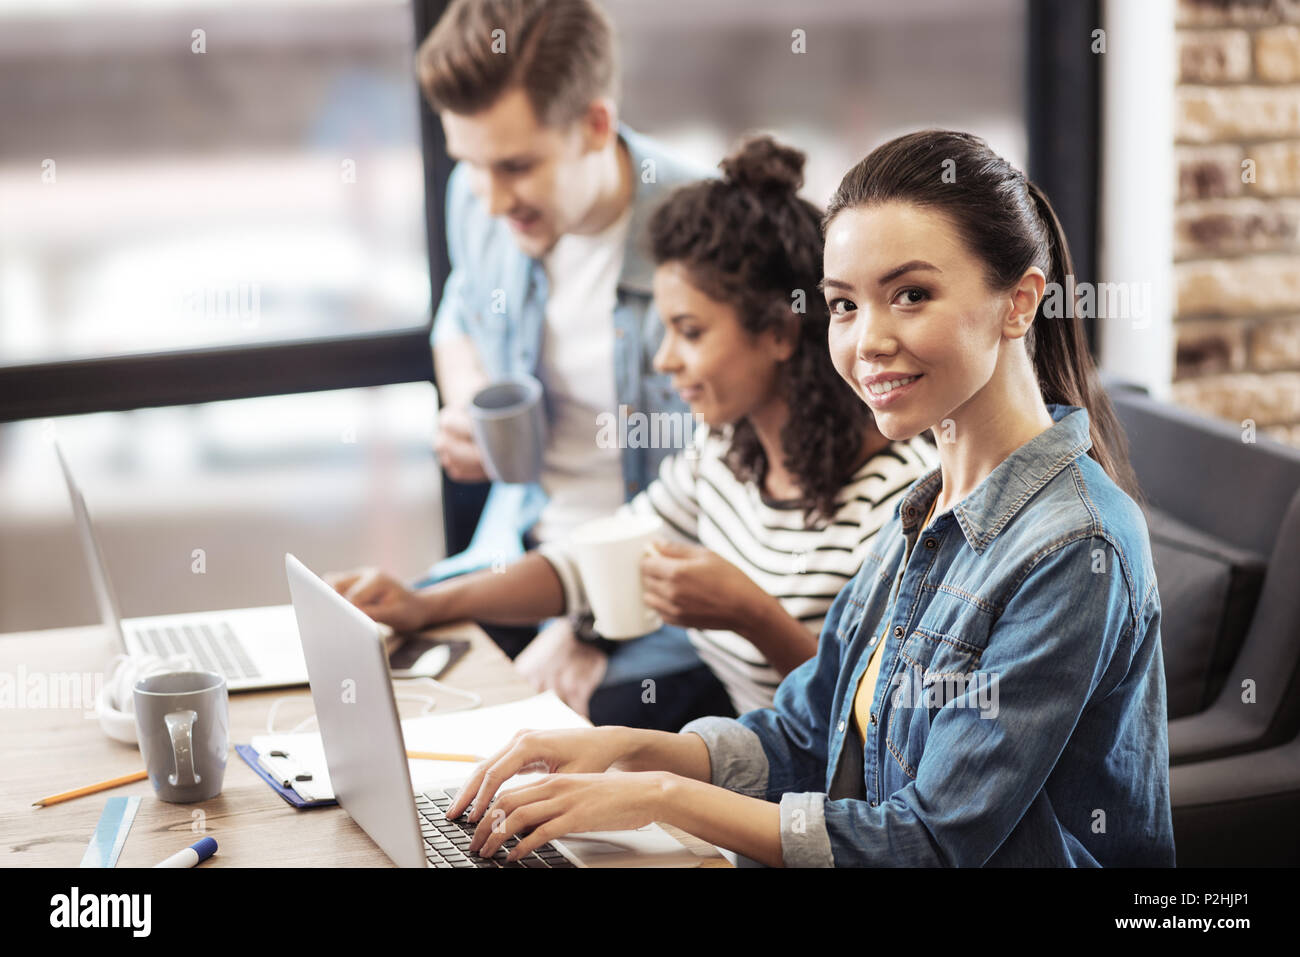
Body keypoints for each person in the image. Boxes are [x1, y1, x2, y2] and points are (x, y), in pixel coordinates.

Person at [436, 129, 1177, 868]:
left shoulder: (1077, 546)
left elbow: (932, 842)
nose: (868, 340)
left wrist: (661, 795)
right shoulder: (927, 510)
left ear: (1019, 304)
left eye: (910, 295)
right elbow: (806, 729)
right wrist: (621, 749)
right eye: (845, 306)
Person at [329, 135, 939, 728]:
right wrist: (425, 603)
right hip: (755, 767)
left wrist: (750, 615)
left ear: (779, 333)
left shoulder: (898, 499)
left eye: (690, 332)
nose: (664, 360)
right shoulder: (725, 457)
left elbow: (870, 723)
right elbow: (581, 565)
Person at [405, 0, 716, 708]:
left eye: (515, 166)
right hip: (518, 552)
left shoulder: (708, 233)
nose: (489, 199)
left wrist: (589, 629)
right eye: (471, 164)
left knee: (567, 745)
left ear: (596, 125)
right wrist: (465, 400)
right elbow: (459, 306)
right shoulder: (476, 196)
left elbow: (740, 488)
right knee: (386, 660)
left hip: (659, 602)